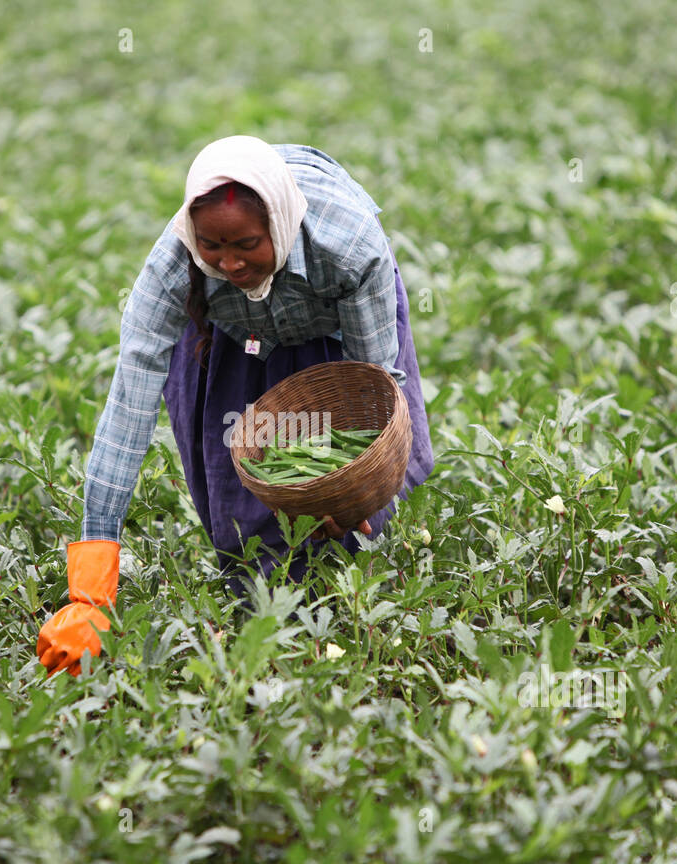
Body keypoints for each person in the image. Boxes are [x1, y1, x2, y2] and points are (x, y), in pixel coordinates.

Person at [37, 135, 435, 677]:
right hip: (233, 338)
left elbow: (374, 391)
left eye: (247, 244)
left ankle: (344, 624)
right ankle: (255, 623)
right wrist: (90, 587)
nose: (229, 262)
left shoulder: (349, 248)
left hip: (332, 337)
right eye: (212, 246)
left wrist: (358, 491)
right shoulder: (175, 264)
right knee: (238, 492)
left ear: (278, 225)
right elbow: (126, 411)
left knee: (355, 513)